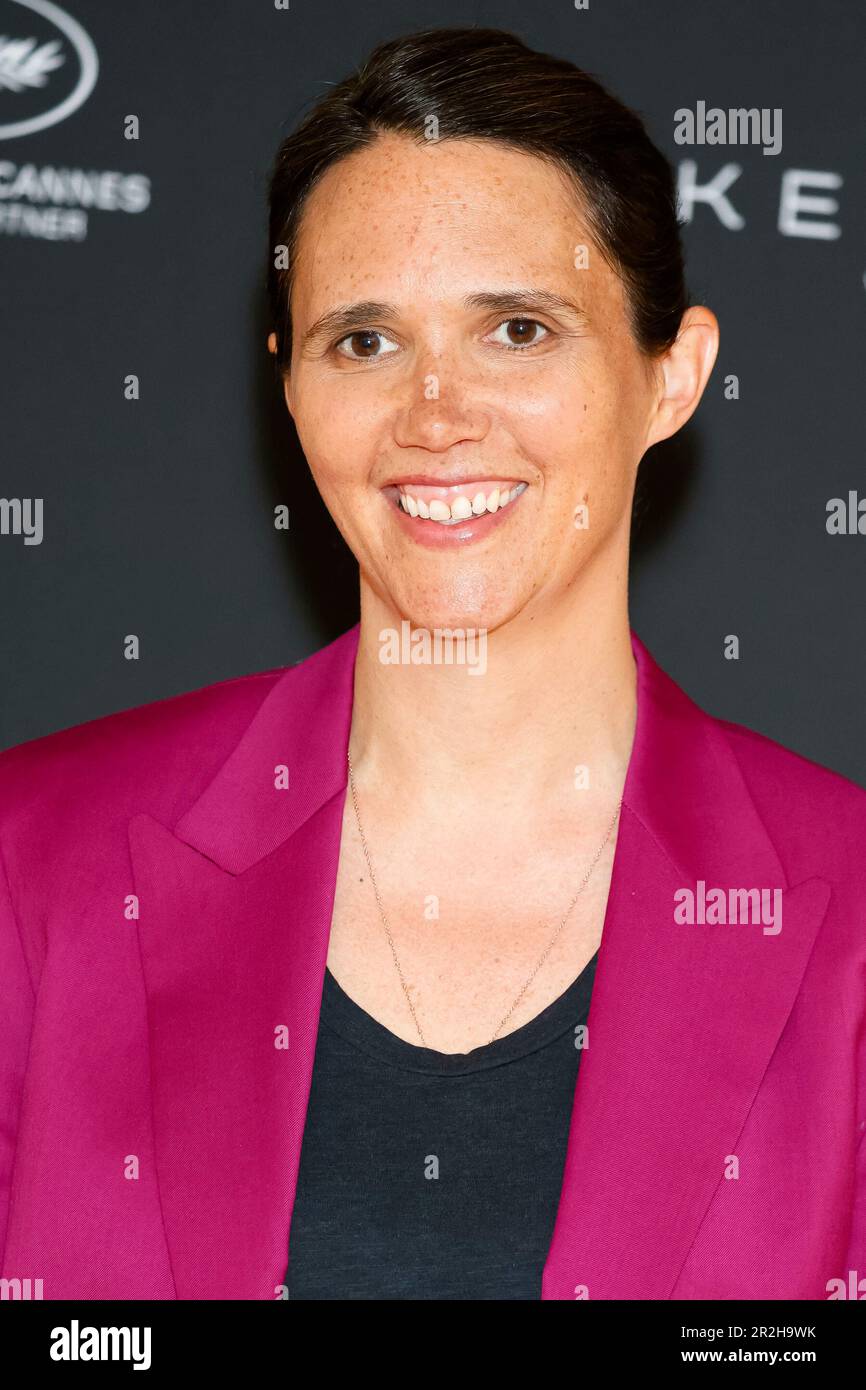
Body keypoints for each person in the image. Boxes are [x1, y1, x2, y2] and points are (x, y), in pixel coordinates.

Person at [1, 27, 864, 1302]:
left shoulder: (846, 921)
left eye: (517, 329)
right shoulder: (35, 863)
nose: (435, 415)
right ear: (288, 387)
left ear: (669, 377)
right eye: (363, 341)